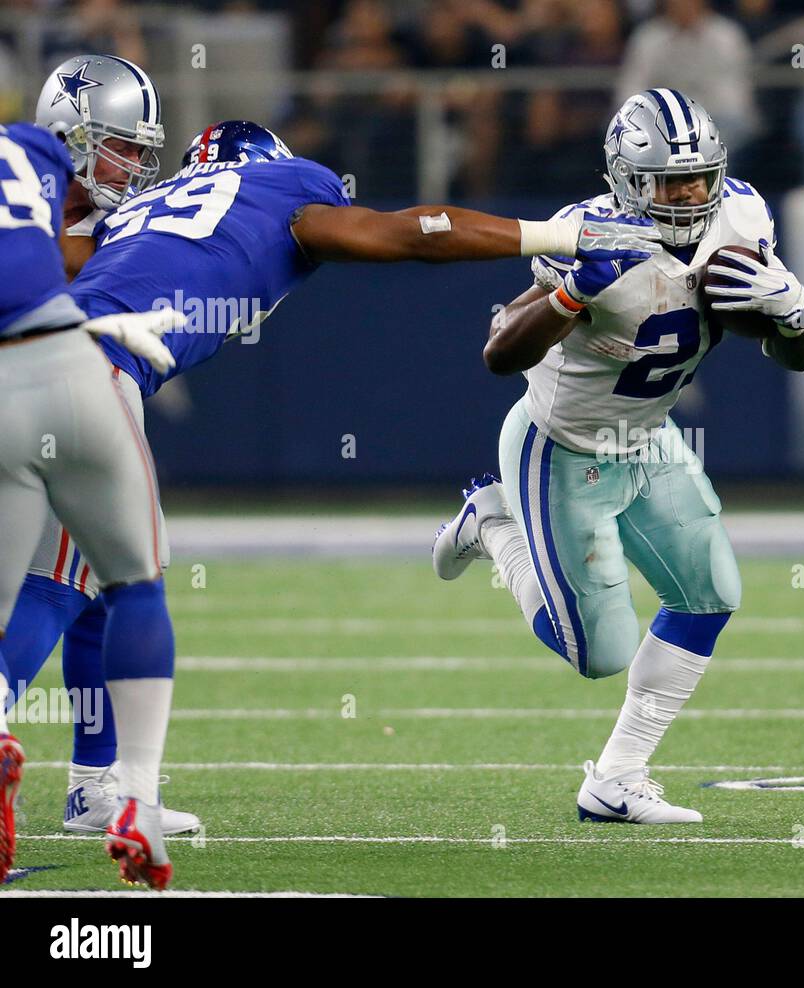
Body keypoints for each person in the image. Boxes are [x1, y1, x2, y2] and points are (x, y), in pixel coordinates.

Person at [2, 105, 661, 843]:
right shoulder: (283, 186)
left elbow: (51, 265)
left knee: (99, 584)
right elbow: (412, 234)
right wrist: (561, 234)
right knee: (65, 583)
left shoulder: (138, 213)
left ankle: (99, 788)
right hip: (86, 376)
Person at [431, 89, 804, 823]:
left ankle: (616, 779)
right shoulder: (582, 231)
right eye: (672, 181)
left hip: (648, 438)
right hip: (562, 448)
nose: (690, 193)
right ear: (627, 181)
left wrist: (796, 309)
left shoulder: (742, 216)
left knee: (710, 595)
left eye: (700, 176)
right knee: (596, 653)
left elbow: (794, 355)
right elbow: (497, 350)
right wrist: (572, 296)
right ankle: (490, 522)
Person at [0, 119, 186, 889]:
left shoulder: (57, 169)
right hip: (74, 372)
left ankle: (88, 778)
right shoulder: (32, 150)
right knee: (130, 580)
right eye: (122, 146)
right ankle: (131, 796)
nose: (133, 165)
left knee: (55, 591)